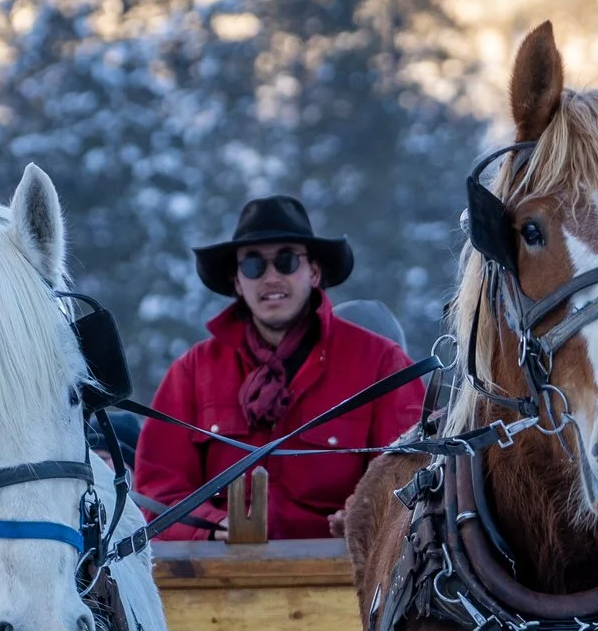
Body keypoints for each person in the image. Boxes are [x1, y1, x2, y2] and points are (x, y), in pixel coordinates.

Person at [135, 196, 425, 540]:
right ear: (238, 282)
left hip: (345, 578)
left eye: (286, 261)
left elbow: (409, 475)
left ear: (314, 272)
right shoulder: (191, 373)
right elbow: (157, 495)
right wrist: (215, 526)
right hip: (218, 580)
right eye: (254, 266)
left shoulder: (381, 363)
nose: (271, 278)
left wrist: (362, 515)